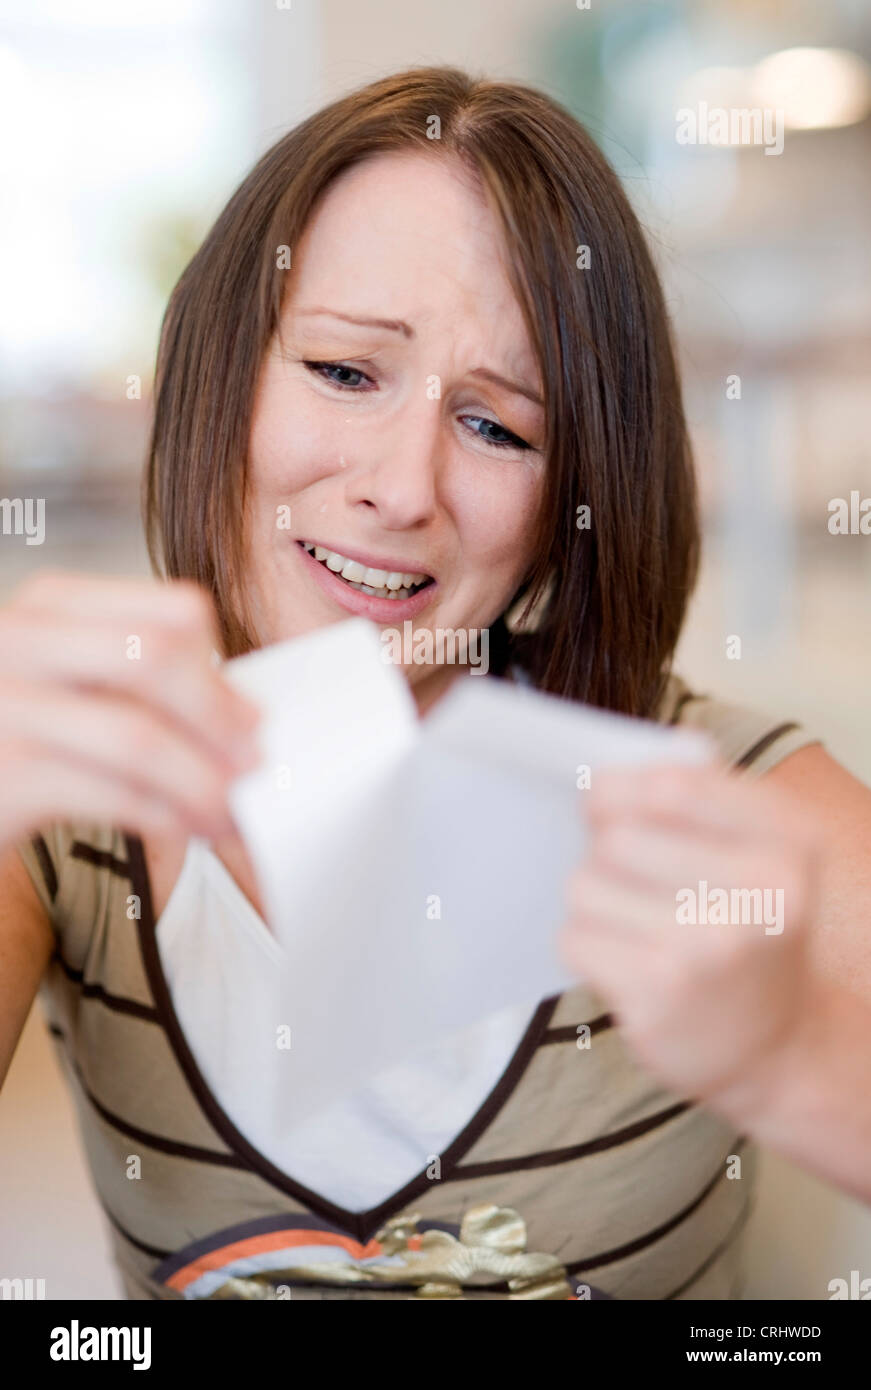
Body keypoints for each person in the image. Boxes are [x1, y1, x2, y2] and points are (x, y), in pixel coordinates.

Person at [1, 66, 870, 1302]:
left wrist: (792, 1058)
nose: (402, 487)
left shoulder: (726, 806)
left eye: (497, 426)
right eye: (345, 371)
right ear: (219, 372)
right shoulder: (65, 800)